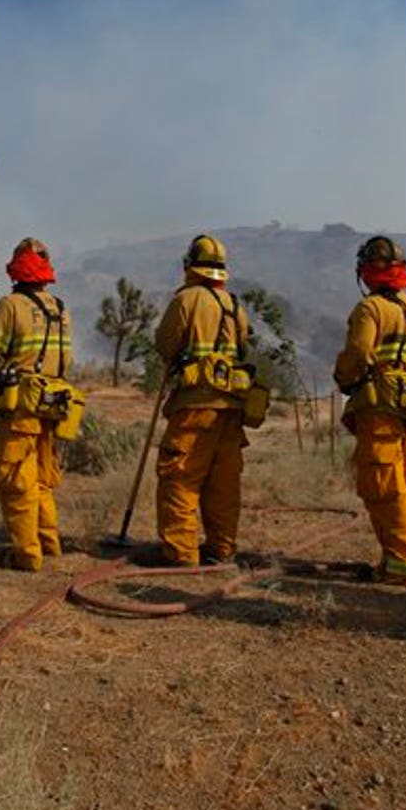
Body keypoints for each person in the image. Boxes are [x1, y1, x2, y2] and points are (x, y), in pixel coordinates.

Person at [147, 234, 253, 567]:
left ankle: (181, 553)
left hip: (194, 406)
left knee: (180, 475)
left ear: (191, 264)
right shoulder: (234, 305)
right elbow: (243, 347)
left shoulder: (186, 300)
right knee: (223, 483)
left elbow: (166, 344)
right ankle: (222, 548)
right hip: (231, 409)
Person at [0, 237, 74, 572]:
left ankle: (27, 555)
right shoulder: (60, 309)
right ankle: (49, 543)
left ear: (16, 268)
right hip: (52, 407)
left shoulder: (10, 305)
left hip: (21, 409)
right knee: (42, 479)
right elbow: (67, 360)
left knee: (16, 480)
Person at [334, 235, 406, 587]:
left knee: (384, 485)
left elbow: (358, 354)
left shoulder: (371, 309)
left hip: (382, 408)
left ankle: (402, 563)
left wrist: (344, 378)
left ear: (366, 271)